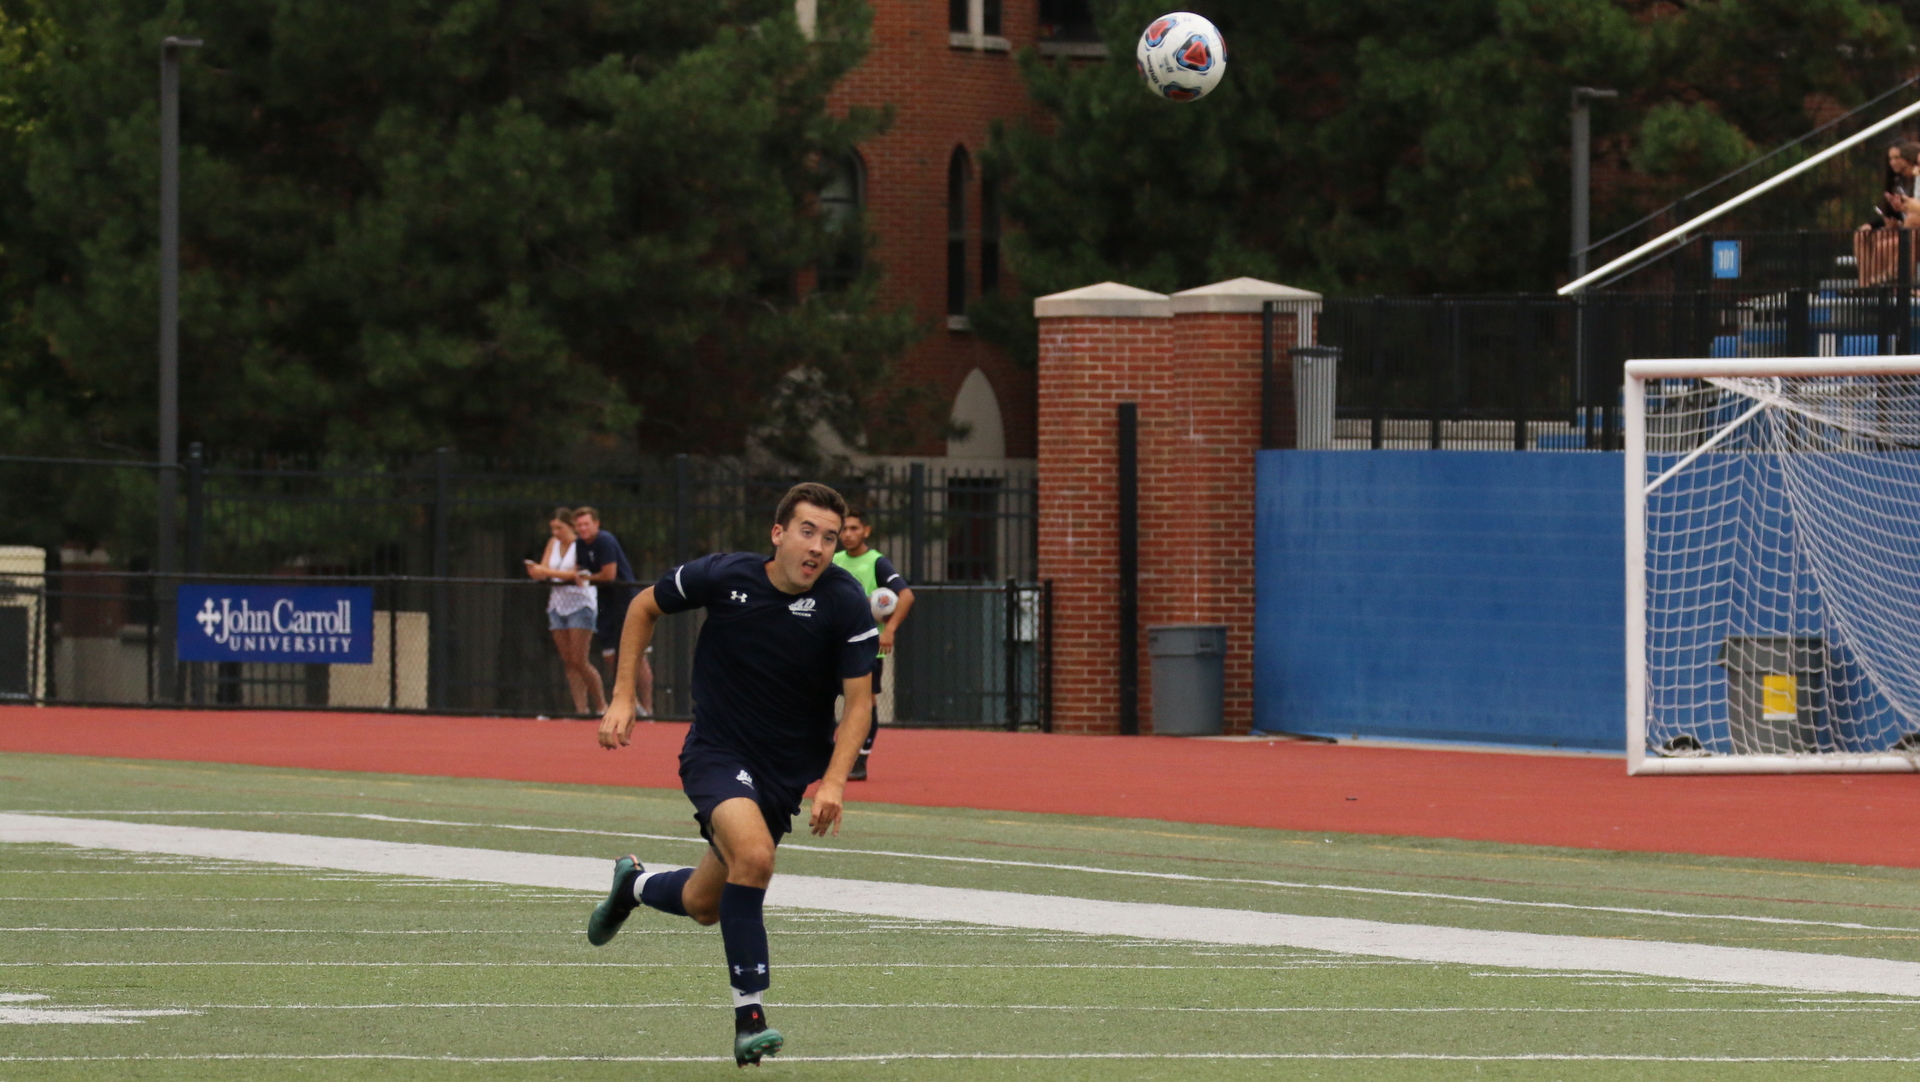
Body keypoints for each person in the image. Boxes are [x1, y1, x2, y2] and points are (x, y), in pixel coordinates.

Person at [585, 482, 876, 1067]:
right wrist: (621, 697)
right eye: (807, 532)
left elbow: (860, 703)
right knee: (756, 857)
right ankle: (750, 1020)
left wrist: (834, 782)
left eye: (828, 537)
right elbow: (643, 606)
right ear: (778, 533)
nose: (818, 547)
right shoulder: (725, 576)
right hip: (717, 753)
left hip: (783, 775)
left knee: (703, 903)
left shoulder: (844, 602)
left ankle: (634, 884)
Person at [829, 506, 914, 781]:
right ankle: (824, 752)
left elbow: (906, 596)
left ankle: (860, 759)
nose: (848, 534)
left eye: (854, 528)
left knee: (865, 702)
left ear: (866, 531)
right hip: (832, 642)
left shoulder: (877, 562)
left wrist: (889, 630)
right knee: (821, 697)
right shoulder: (834, 560)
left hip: (866, 644)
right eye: (844, 529)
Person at [523, 507, 605, 715]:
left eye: (559, 528)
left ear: (570, 526)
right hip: (557, 604)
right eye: (553, 528)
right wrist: (537, 572)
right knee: (568, 661)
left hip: (580, 604)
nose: (556, 533)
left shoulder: (581, 545)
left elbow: (577, 575)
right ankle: (581, 709)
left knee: (579, 660)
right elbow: (545, 571)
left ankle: (601, 705)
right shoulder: (553, 543)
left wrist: (546, 571)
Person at [572, 507, 649, 717]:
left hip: (625, 600)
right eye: (579, 525)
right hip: (605, 602)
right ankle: (631, 702)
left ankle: (648, 709)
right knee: (610, 655)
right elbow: (580, 568)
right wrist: (580, 574)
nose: (582, 529)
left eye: (586, 524)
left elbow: (609, 575)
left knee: (636, 654)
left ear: (596, 524)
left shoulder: (605, 541)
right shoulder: (580, 544)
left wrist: (587, 577)